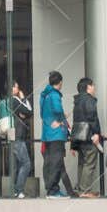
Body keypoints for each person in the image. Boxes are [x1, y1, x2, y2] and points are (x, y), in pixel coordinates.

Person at [39, 71, 73, 199]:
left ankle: (50, 189)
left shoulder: (44, 95)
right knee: (56, 162)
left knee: (49, 162)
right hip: (56, 134)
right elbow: (58, 110)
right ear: (60, 82)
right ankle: (54, 190)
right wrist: (61, 119)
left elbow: (42, 114)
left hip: (47, 134)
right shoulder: (54, 95)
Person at [71, 77, 102, 197]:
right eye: (93, 85)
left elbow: (75, 122)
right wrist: (96, 133)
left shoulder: (77, 101)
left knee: (82, 163)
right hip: (89, 136)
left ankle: (81, 189)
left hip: (79, 137)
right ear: (88, 87)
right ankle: (85, 190)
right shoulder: (89, 100)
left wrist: (73, 144)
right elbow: (92, 117)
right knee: (90, 162)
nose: (94, 88)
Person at [6, 80, 35, 198]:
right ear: (13, 88)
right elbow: (29, 111)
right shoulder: (14, 99)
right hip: (18, 135)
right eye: (17, 87)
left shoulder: (6, 101)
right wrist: (23, 98)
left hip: (11, 135)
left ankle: (14, 190)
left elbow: (25, 114)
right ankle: (19, 190)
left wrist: (23, 114)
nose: (19, 89)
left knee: (16, 165)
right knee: (26, 163)